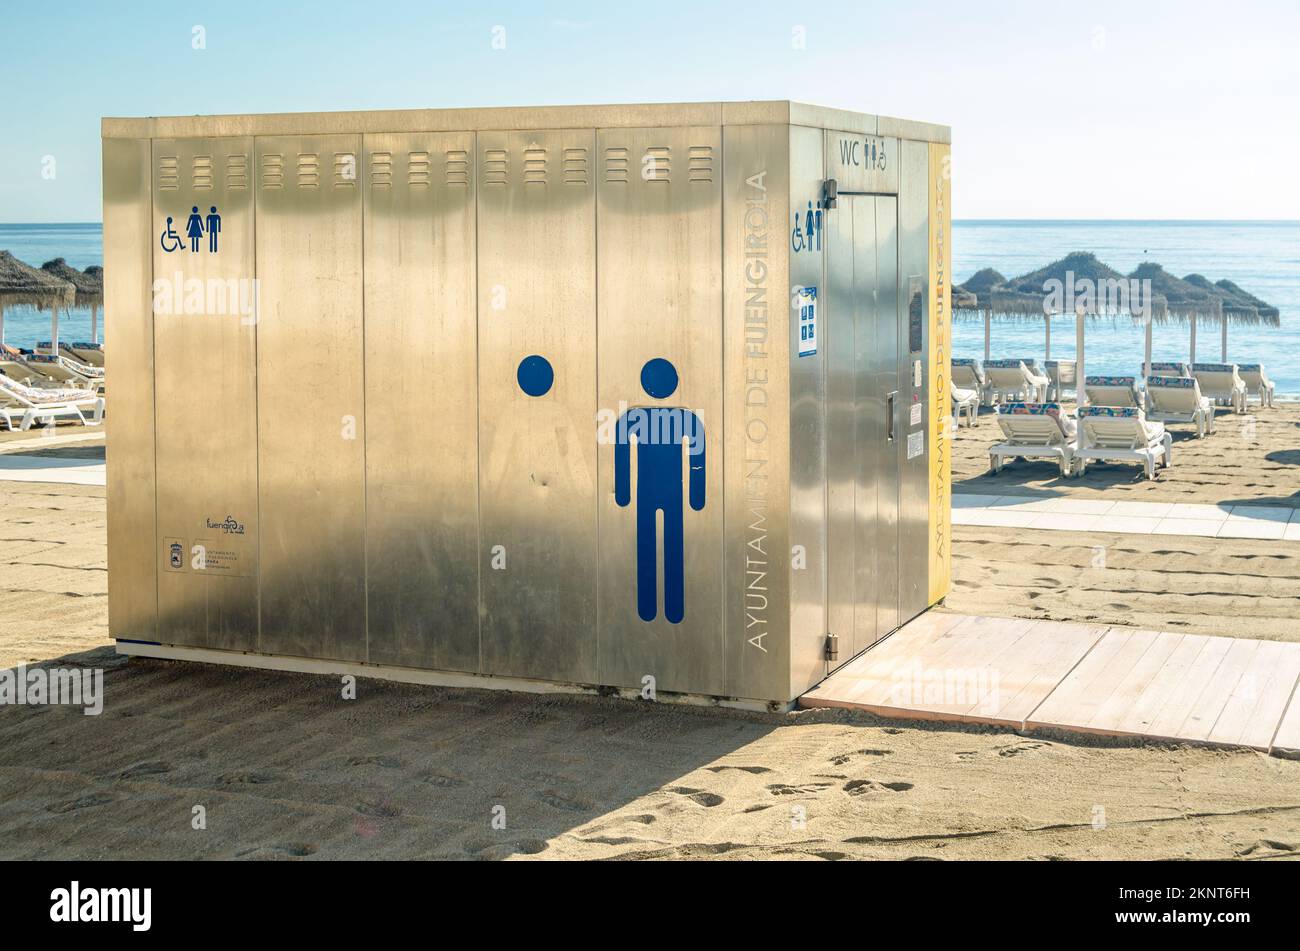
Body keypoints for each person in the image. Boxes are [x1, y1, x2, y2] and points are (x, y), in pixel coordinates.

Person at [614, 358, 705, 625]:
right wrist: (695, 497)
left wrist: (624, 494)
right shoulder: (686, 418)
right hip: (673, 494)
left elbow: (622, 458)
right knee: (672, 546)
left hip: (646, 493)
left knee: (647, 545)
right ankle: (672, 610)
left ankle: (648, 608)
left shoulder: (633, 417)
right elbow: (696, 461)